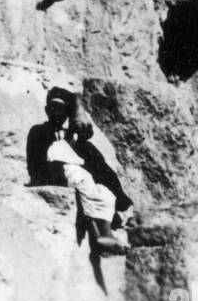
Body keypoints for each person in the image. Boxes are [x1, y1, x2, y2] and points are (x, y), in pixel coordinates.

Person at [26, 87, 132, 256]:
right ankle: (103, 234)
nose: (57, 113)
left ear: (67, 114)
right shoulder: (38, 131)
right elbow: (36, 163)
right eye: (53, 108)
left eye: (61, 110)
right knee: (80, 175)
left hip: (75, 175)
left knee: (105, 191)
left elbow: (97, 162)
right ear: (47, 110)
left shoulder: (73, 137)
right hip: (52, 172)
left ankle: (103, 236)